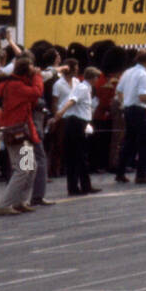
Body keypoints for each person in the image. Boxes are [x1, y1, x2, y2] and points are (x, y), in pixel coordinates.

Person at [0, 56, 42, 216]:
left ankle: (20, 201)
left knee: (29, 167)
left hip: (19, 131)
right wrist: (37, 77)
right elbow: (37, 92)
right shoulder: (17, 86)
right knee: (22, 169)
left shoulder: (12, 84)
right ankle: (6, 203)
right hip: (18, 131)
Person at [56, 66, 101, 196]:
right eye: (97, 77)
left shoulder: (86, 87)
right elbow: (72, 100)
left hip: (79, 123)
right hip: (76, 123)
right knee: (77, 156)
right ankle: (75, 187)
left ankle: (83, 185)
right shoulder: (82, 88)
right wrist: (62, 111)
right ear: (93, 78)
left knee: (79, 156)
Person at [114, 50, 146, 183]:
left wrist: (123, 104)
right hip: (138, 110)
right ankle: (141, 174)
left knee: (129, 142)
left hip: (128, 109)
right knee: (145, 143)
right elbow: (143, 96)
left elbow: (119, 90)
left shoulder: (128, 72)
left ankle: (120, 171)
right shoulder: (143, 75)